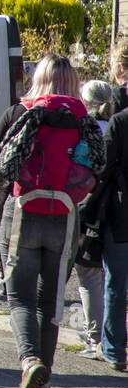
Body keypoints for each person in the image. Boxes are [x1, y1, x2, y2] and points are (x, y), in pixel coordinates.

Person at [0, 54, 107, 388]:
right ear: (72, 83)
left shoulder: (20, 112)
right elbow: (97, 168)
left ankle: (29, 363)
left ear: (39, 79)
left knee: (20, 297)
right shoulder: (85, 121)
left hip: (23, 212)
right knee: (50, 302)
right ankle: (43, 383)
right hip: (65, 217)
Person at [76, 80, 115, 359]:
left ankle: (95, 338)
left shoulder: (85, 130)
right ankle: (110, 337)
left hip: (88, 209)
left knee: (87, 271)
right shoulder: (115, 127)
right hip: (115, 209)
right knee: (109, 275)